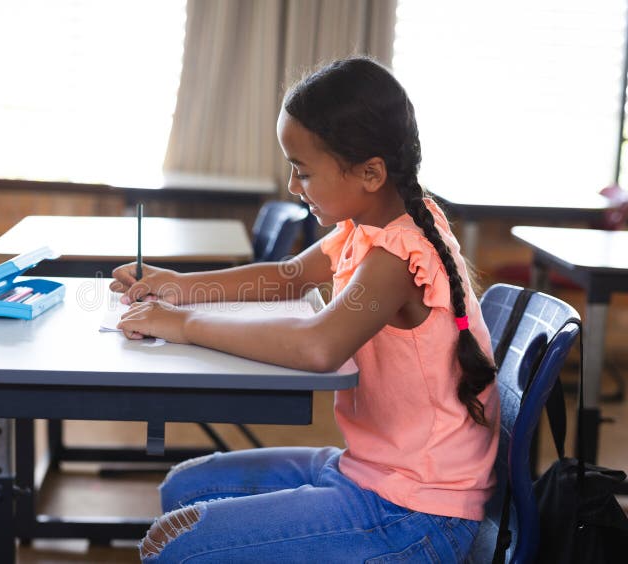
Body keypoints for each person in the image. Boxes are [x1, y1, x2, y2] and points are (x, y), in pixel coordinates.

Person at [111, 56, 499, 563]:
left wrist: (183, 325)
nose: (294, 187)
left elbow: (318, 345)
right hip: (372, 471)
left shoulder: (399, 255)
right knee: (183, 488)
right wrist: (181, 287)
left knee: (173, 545)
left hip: (416, 513)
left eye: (304, 172)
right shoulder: (369, 226)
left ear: (370, 173)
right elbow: (285, 276)